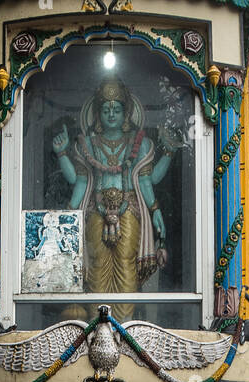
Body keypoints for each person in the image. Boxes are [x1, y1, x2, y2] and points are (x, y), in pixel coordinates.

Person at [52, 77, 179, 311]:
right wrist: (68, 214)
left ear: (127, 113)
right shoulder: (87, 144)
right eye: (106, 109)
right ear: (98, 114)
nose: (111, 114)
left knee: (126, 265)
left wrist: (155, 208)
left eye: (117, 109)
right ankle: (95, 325)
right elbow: (79, 181)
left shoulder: (139, 144)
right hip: (95, 210)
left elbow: (147, 181)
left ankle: (124, 326)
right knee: (97, 266)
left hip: (129, 209)